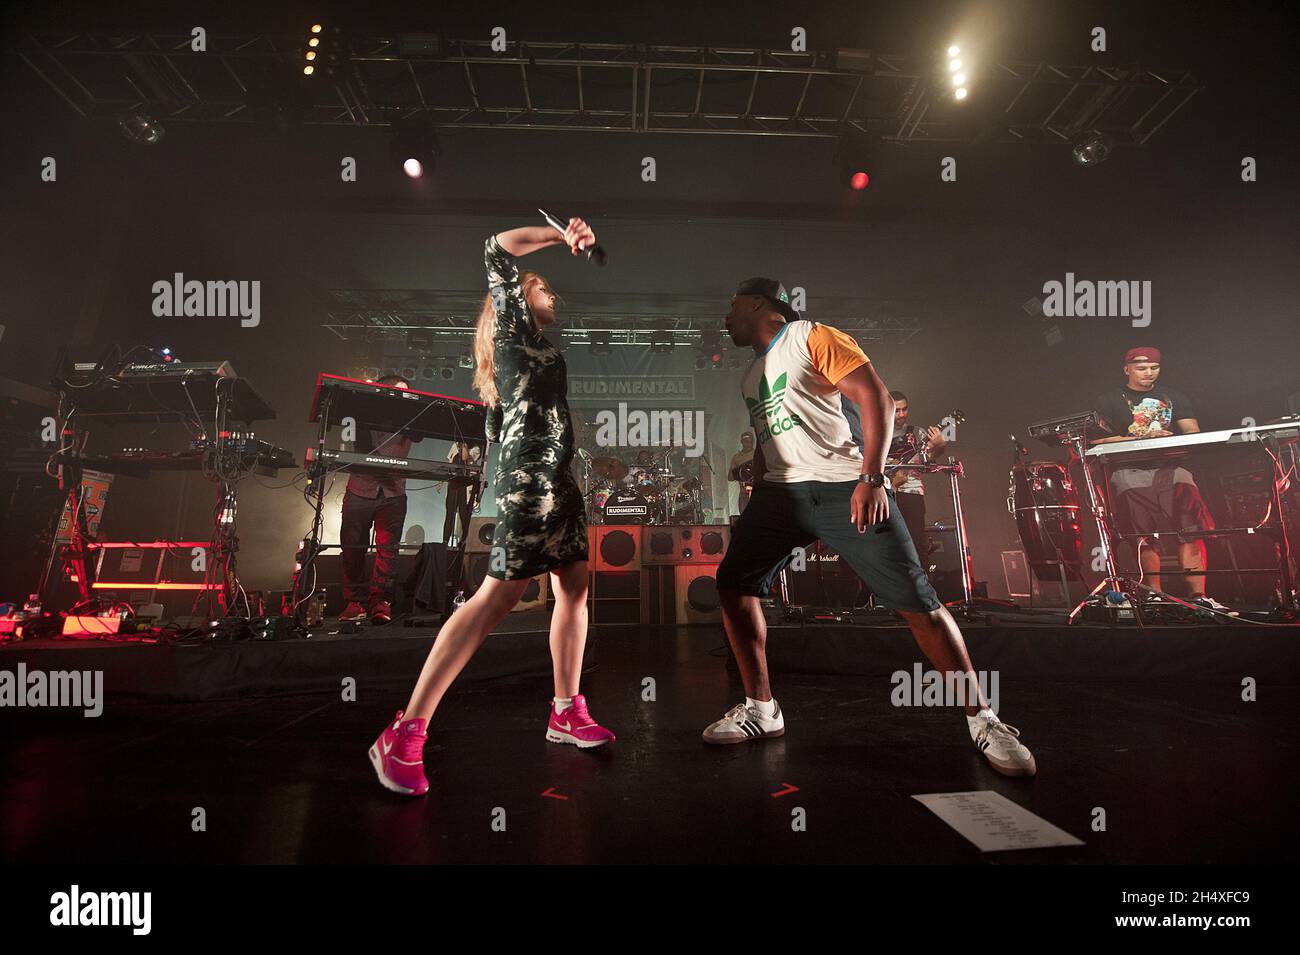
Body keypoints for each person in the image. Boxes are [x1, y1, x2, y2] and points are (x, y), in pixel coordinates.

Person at [702, 277, 1036, 776]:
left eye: (732, 307)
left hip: (842, 486)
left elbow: (874, 397)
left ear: (759, 304)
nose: (725, 317)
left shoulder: (813, 336)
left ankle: (983, 719)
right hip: (780, 493)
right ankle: (761, 709)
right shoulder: (751, 376)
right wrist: (759, 474)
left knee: (916, 601)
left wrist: (873, 477)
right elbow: (772, 435)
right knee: (733, 584)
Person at [369, 218, 615, 797]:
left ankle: (564, 712)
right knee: (498, 595)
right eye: (542, 288)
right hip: (529, 478)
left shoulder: (537, 346)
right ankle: (404, 732)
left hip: (558, 476)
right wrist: (561, 237)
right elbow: (495, 246)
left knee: (575, 584)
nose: (552, 294)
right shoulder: (510, 327)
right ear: (515, 297)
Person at [1091, 346, 1232, 613]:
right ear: (1127, 369)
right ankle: (1154, 595)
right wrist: (1137, 438)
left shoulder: (1174, 396)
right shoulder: (1109, 400)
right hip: (1129, 469)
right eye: (1141, 368)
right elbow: (1097, 438)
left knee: (1191, 527)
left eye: (1154, 368)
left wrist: (1169, 436)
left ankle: (1199, 597)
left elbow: (1192, 431)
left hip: (1170, 467)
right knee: (1143, 533)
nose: (1148, 373)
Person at [339, 373, 416, 625]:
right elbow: (350, 437)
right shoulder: (363, 412)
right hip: (361, 488)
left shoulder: (411, 416)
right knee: (352, 548)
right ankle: (355, 602)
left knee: (388, 550)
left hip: (394, 491)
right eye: (399, 391)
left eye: (407, 392)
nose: (404, 396)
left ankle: (380, 601)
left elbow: (419, 434)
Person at [884, 391, 946, 559]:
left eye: (905, 409)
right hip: (884, 493)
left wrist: (939, 445)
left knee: (916, 542)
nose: (902, 414)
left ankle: (922, 583)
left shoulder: (917, 433)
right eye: (897, 410)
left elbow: (928, 460)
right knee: (887, 544)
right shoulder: (878, 432)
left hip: (912, 492)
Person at [440, 439, 481, 548]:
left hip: (465, 485)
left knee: (464, 515)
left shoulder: (476, 449)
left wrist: (464, 444)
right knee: (450, 514)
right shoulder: (455, 444)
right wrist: (440, 480)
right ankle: (444, 542)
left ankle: (463, 541)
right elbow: (449, 462)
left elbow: (464, 457)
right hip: (453, 483)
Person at [727, 431, 756, 514]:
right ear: (742, 442)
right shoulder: (737, 457)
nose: (749, 444)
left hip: (757, 490)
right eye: (747, 442)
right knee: (744, 515)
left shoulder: (757, 454)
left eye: (751, 442)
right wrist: (741, 471)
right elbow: (730, 477)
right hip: (743, 491)